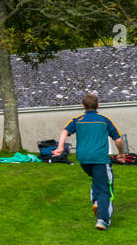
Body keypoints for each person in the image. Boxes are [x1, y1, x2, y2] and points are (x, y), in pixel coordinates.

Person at [52, 95, 125, 230]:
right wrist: (121, 154)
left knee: (97, 179)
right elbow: (119, 140)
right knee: (105, 188)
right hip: (100, 159)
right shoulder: (104, 120)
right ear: (98, 106)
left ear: (83, 106)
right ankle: (103, 220)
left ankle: (96, 201)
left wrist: (60, 147)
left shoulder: (77, 120)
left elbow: (65, 131)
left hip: (83, 159)